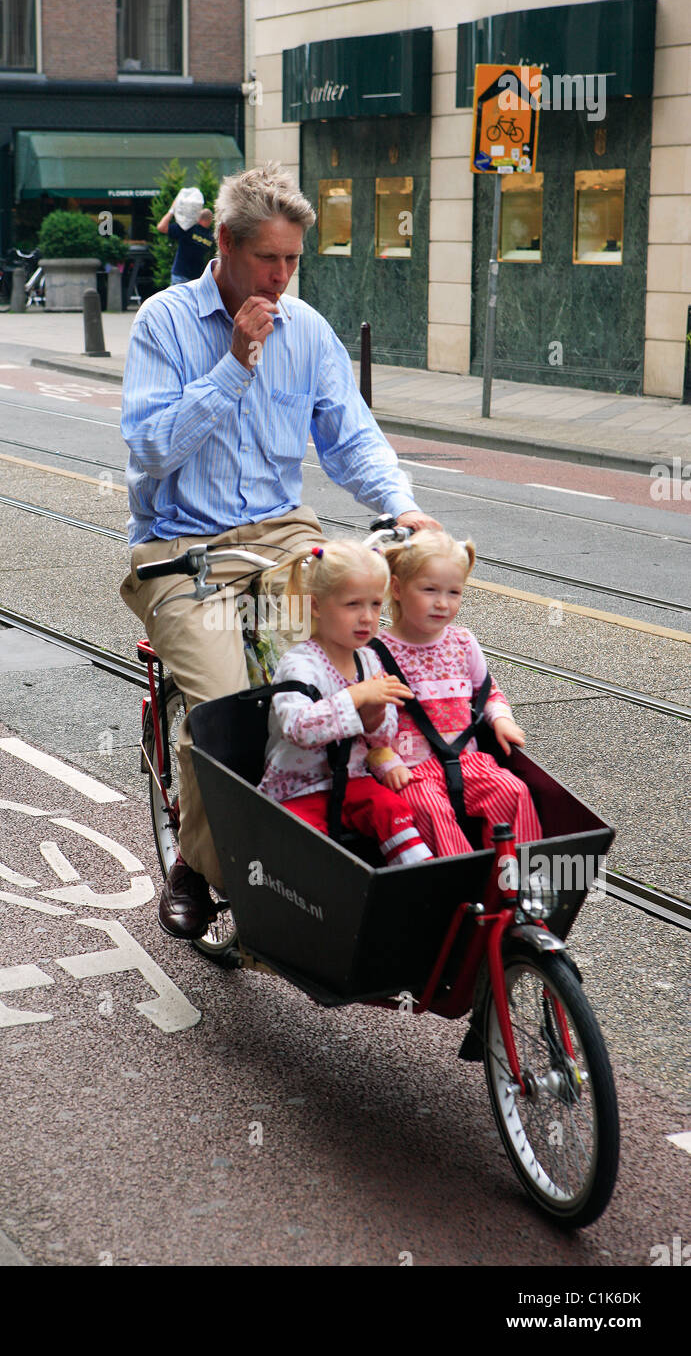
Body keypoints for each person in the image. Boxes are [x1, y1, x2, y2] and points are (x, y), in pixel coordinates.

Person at [119, 161, 440, 940]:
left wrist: (400, 505)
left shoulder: (308, 332)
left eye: (294, 259)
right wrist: (232, 365)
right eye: (269, 258)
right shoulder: (163, 322)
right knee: (227, 712)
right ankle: (196, 867)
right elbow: (152, 446)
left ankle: (356, 830)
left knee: (353, 665)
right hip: (182, 551)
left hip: (283, 536)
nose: (283, 276)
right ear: (223, 244)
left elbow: (349, 436)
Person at [368, 530, 543, 856]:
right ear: (397, 588)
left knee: (513, 790)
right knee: (430, 811)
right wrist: (386, 762)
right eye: (429, 590)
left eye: (454, 592)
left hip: (468, 760)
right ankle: (460, 887)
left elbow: (487, 692)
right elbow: (367, 723)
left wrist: (501, 719)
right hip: (410, 768)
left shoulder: (462, 642)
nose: (442, 603)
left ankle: (518, 884)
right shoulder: (375, 652)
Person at [259, 541, 432, 866]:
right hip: (298, 788)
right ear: (317, 605)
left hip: (353, 779)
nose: (367, 618)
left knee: (392, 810)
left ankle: (418, 879)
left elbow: (382, 739)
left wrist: (377, 711)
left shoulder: (368, 659)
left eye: (376, 604)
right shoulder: (300, 663)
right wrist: (355, 697)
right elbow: (299, 729)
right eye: (352, 604)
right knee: (307, 839)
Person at [155, 190, 215, 285]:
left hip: (180, 274)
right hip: (197, 279)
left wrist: (172, 210)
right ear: (210, 221)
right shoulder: (211, 238)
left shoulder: (187, 229)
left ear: (198, 218)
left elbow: (161, 227)